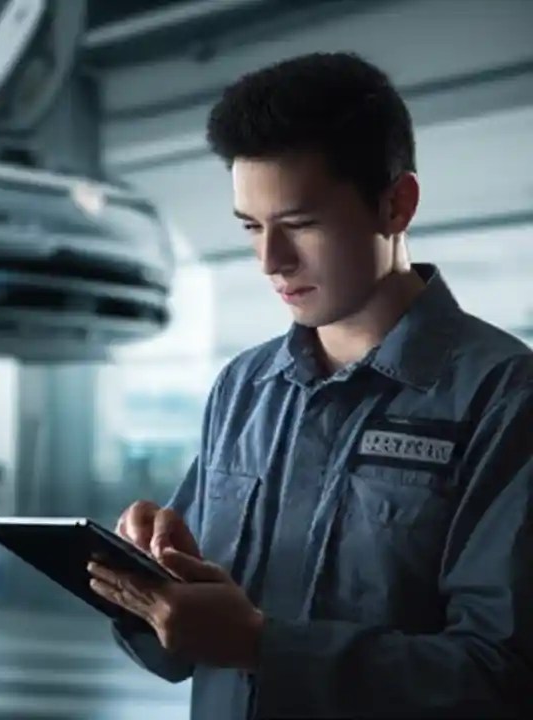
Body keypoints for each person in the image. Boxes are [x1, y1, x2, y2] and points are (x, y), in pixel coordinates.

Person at [86, 52, 533, 719]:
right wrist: (153, 582)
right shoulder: (244, 389)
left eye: (300, 225)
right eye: (250, 227)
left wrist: (262, 645)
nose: (270, 261)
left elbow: (500, 678)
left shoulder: (502, 398)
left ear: (396, 204)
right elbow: (179, 652)